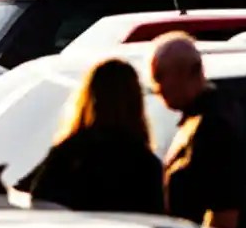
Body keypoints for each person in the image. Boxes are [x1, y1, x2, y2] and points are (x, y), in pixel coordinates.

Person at [27, 59, 164, 214]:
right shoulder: (146, 165)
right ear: (136, 102)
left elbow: (38, 200)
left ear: (89, 98)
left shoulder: (68, 155)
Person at [151, 32, 246, 228]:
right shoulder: (198, 120)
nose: (156, 88)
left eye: (159, 76)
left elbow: (224, 215)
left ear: (190, 73)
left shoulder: (213, 127)